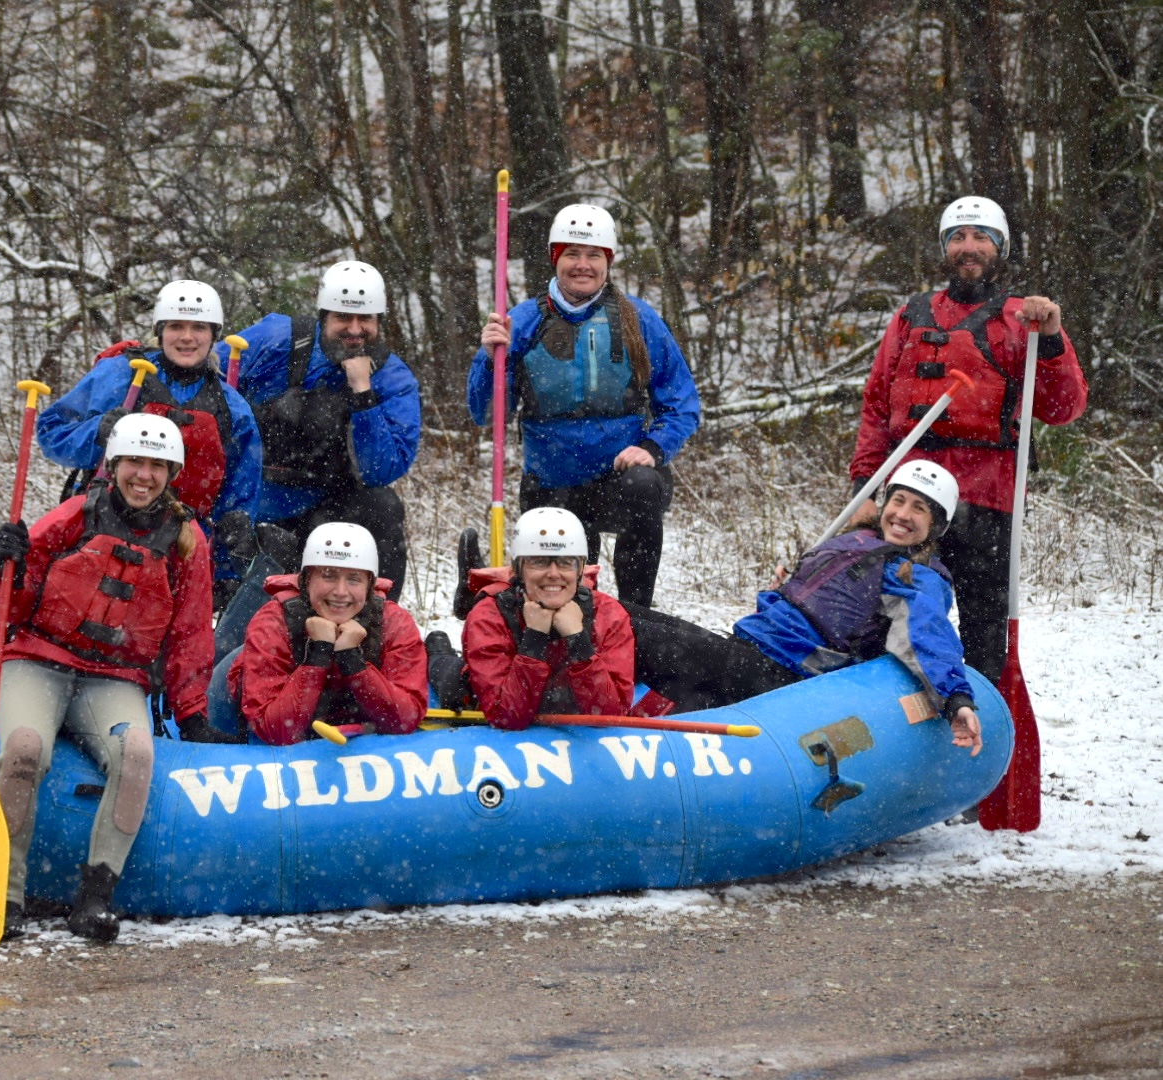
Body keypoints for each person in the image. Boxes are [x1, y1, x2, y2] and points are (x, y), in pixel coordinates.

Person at [0, 414, 214, 942]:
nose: (144, 476)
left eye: (158, 466)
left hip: (113, 676)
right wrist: (7, 564)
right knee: (23, 749)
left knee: (136, 752)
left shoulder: (185, 541)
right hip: (38, 660)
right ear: (114, 465)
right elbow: (8, 607)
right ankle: (5, 893)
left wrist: (193, 711)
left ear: (171, 473)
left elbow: (190, 632)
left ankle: (95, 896)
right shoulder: (72, 517)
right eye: (136, 462)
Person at [851, 195, 1086, 684]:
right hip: (911, 493)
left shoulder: (1024, 318)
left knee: (982, 626)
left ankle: (979, 714)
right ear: (945, 248)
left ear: (999, 248)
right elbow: (877, 406)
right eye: (958, 237)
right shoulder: (910, 315)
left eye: (981, 236)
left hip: (986, 495)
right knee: (883, 608)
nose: (969, 247)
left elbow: (1064, 409)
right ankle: (888, 713)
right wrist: (863, 489)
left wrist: (1053, 339)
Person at [624, 461, 984, 755]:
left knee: (625, 628)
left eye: (919, 509)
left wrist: (956, 700)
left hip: (781, 674)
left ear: (936, 525)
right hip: (750, 648)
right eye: (899, 500)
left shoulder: (919, 579)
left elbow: (929, 639)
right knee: (623, 612)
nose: (903, 514)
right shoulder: (860, 540)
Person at [469, 204, 701, 609]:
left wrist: (652, 448)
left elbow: (682, 403)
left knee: (644, 484)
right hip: (551, 482)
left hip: (619, 481)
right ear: (555, 259)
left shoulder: (637, 319)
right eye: (571, 254)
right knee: (569, 602)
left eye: (594, 255)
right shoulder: (520, 322)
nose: (582, 265)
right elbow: (487, 414)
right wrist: (491, 360)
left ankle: (635, 615)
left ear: (608, 262)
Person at [35, 279, 262, 604]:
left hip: (183, 545)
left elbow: (240, 496)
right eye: (176, 326)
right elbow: (51, 433)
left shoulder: (232, 407)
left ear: (214, 335)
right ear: (160, 330)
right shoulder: (119, 375)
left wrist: (228, 568)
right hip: (103, 530)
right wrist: (97, 431)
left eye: (199, 327)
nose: (187, 337)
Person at [219, 261, 422, 599]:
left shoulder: (393, 379)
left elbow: (380, 471)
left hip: (329, 506)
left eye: (365, 320)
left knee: (383, 508)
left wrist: (363, 395)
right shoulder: (276, 340)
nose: (354, 330)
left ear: (379, 322)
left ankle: (377, 625)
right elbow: (204, 372)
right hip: (256, 495)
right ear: (323, 317)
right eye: (343, 318)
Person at [221, 522, 426, 746]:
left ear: (369, 585)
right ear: (307, 579)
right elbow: (276, 732)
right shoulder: (272, 622)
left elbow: (406, 721)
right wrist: (318, 655)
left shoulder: (394, 621)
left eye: (354, 579)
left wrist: (353, 661)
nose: (340, 592)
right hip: (240, 699)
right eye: (328, 576)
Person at [457, 507, 637, 730]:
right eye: (539, 562)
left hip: (565, 701)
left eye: (565, 563)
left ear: (581, 569)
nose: (553, 573)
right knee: (450, 678)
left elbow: (611, 716)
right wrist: (534, 639)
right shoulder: (488, 617)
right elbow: (506, 717)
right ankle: (438, 647)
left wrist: (578, 641)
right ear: (517, 569)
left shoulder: (608, 613)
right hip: (479, 685)